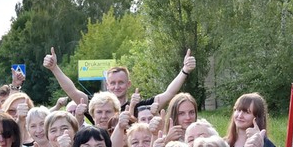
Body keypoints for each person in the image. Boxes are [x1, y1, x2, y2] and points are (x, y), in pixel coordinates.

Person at [43, 47, 196, 113]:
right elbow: (71, 90)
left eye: (121, 82)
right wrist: (54, 68)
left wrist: (185, 71)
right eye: (113, 83)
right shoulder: (97, 107)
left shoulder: (140, 107)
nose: (117, 86)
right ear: (107, 86)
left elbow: (169, 93)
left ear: (128, 84)